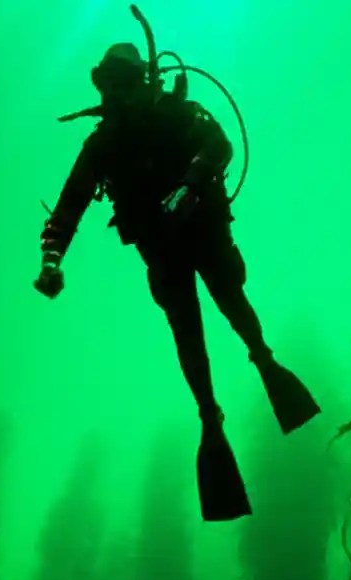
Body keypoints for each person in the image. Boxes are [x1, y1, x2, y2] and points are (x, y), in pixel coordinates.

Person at [34, 42, 319, 521]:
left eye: (121, 82)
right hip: (162, 250)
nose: (115, 94)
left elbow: (222, 145)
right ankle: (211, 416)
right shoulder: (103, 144)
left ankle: (265, 362)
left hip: (203, 232)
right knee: (188, 335)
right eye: (107, 84)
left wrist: (190, 185)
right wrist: (51, 257)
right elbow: (70, 204)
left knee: (231, 304)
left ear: (142, 80)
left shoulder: (178, 114)